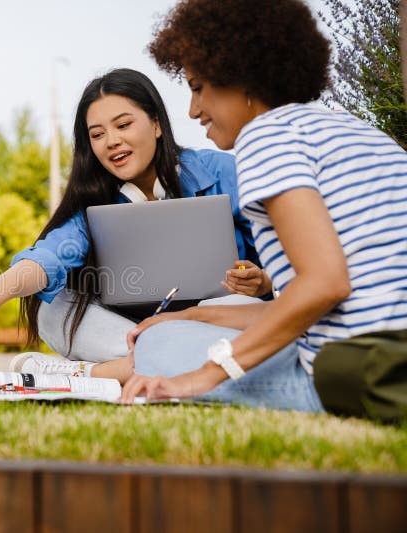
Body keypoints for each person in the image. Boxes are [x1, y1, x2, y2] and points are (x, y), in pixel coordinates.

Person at [120, 0, 407, 417]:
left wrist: (203, 375)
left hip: (360, 370)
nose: (193, 110)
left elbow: (325, 284)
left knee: (156, 347)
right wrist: (201, 314)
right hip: (389, 347)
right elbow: (320, 300)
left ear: (244, 77)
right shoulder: (359, 133)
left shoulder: (265, 137)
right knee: (174, 331)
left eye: (199, 87)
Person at [0, 68, 270, 383]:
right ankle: (161, 362)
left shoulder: (222, 171)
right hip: (130, 331)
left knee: (239, 305)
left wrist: (265, 282)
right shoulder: (94, 202)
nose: (111, 141)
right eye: (97, 134)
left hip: (216, 315)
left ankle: (96, 373)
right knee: (55, 310)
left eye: (124, 125)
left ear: (156, 124)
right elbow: (51, 255)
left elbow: (294, 259)